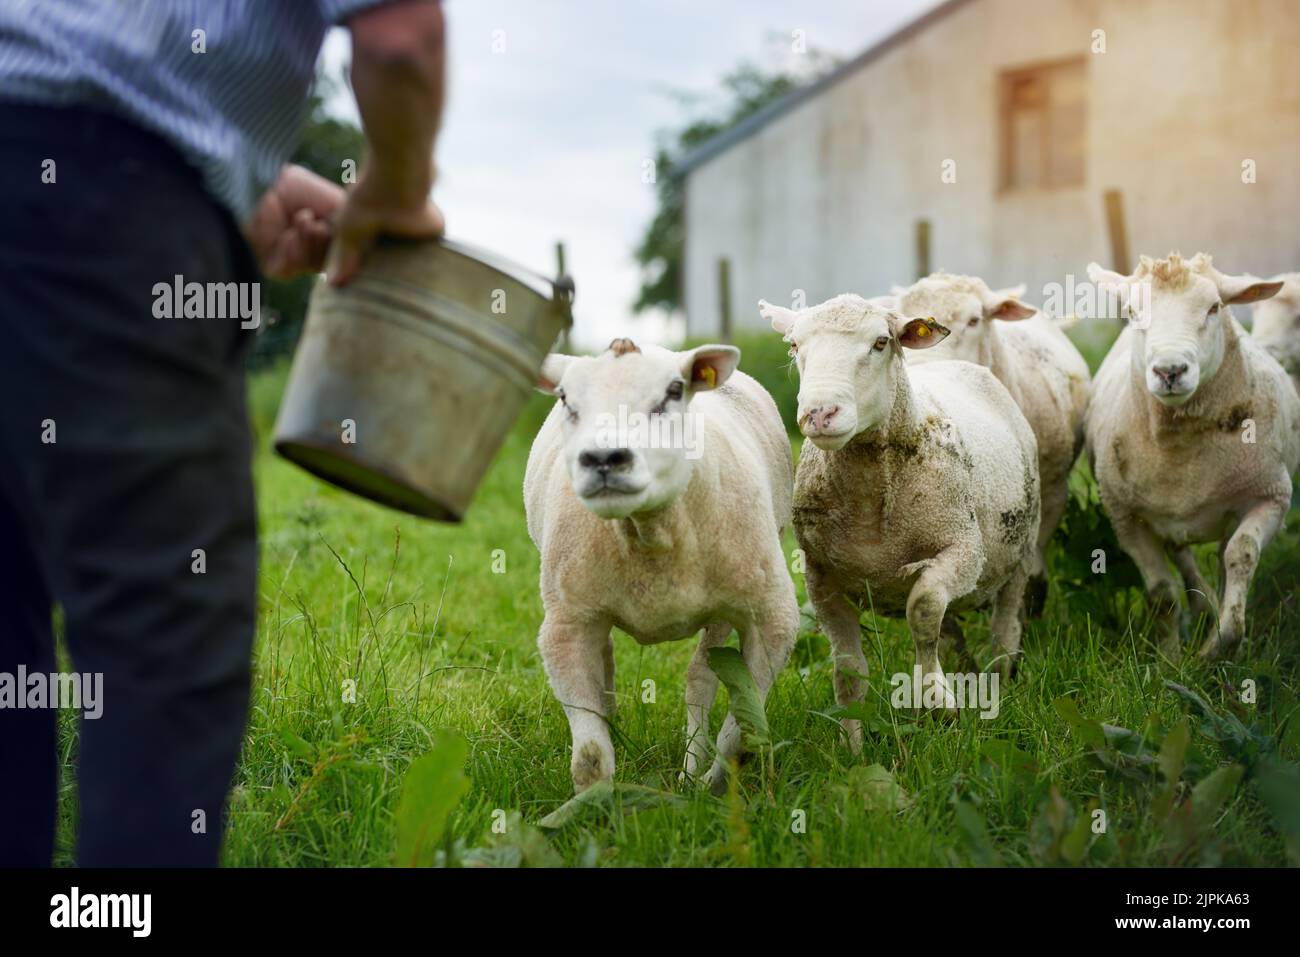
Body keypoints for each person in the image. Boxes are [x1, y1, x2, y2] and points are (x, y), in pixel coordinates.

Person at [0, 0, 446, 866]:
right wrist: (395, 195)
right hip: (106, 227)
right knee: (155, 653)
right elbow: (402, 39)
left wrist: (245, 180)